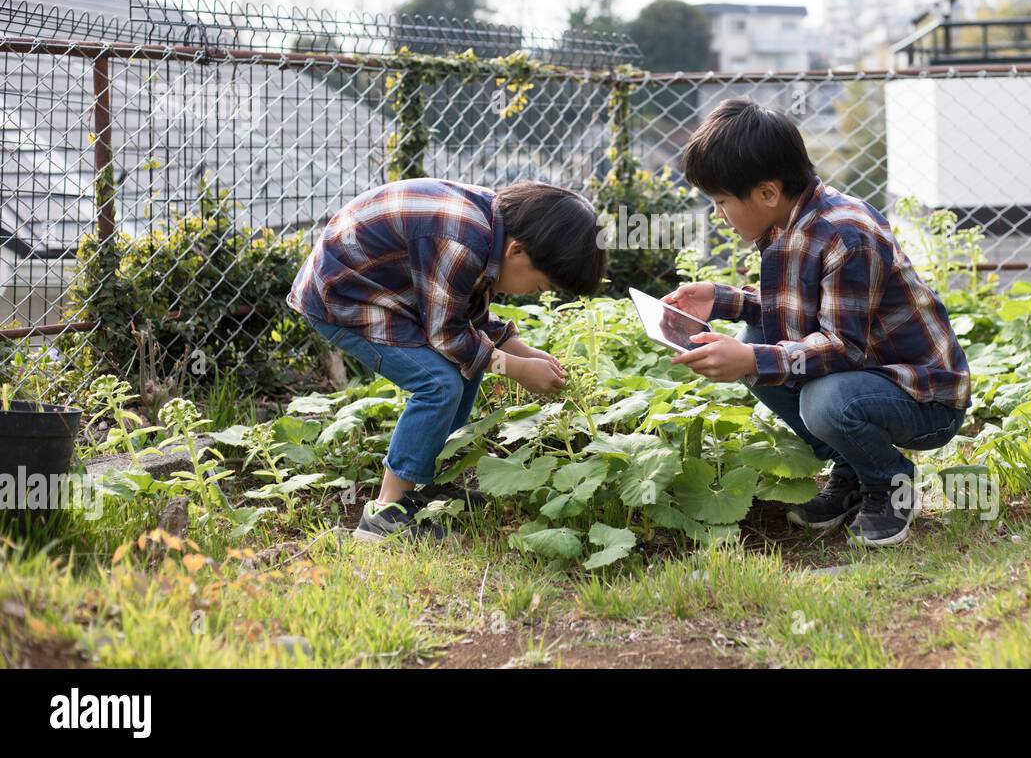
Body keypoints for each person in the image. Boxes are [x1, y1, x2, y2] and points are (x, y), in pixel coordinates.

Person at [664, 98, 970, 546]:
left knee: (817, 395)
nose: (718, 214)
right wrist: (720, 300)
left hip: (924, 397)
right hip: (868, 379)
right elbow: (793, 311)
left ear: (768, 192)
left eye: (723, 201)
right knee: (759, 338)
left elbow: (842, 346)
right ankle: (854, 470)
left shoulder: (846, 234)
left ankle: (892, 484)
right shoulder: (788, 221)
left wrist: (749, 358)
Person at [286, 177, 605, 542]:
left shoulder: (491, 230)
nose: (533, 294)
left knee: (466, 367)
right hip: (344, 298)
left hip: (393, 294)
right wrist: (516, 369)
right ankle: (386, 510)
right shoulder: (461, 239)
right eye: (538, 287)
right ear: (517, 252)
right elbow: (449, 337)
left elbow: (463, 314)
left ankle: (421, 487)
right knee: (438, 383)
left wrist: (525, 352)